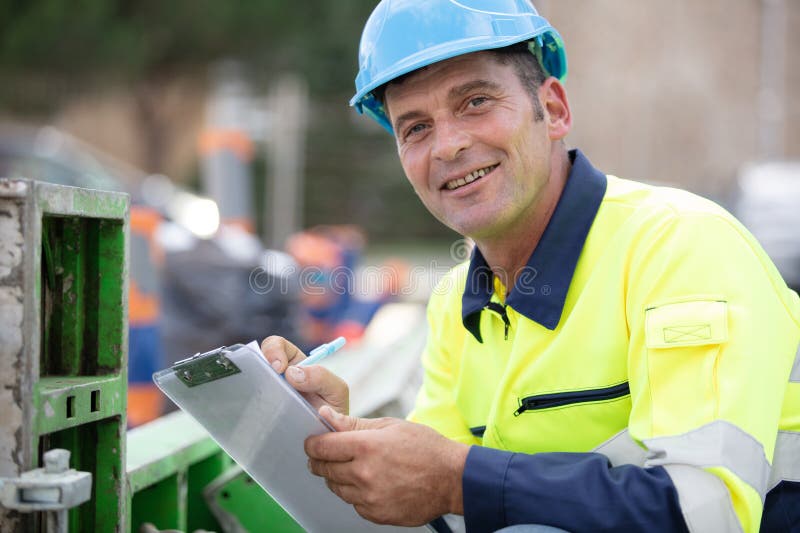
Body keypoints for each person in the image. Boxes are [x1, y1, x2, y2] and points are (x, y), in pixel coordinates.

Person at [261, 1, 800, 531]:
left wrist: (458, 480)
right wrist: (339, 438)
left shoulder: (679, 246)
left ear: (555, 110)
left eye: (475, 102)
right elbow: (438, 507)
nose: (448, 145)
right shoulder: (455, 302)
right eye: (416, 128)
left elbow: (706, 514)